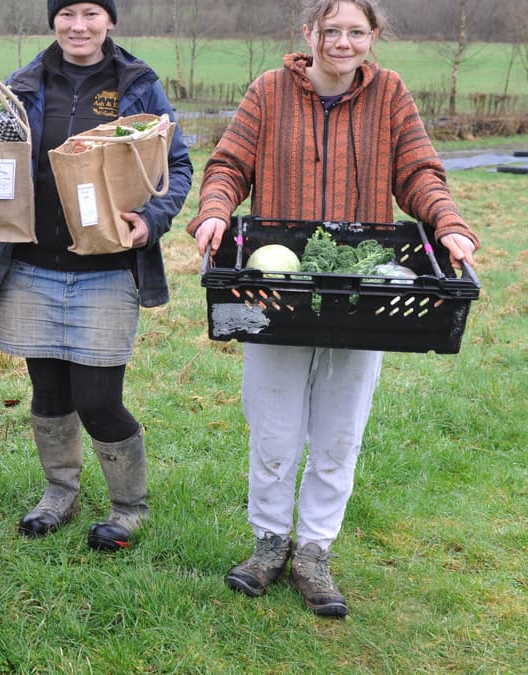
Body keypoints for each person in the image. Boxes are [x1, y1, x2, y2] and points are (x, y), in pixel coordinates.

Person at [189, 0, 478, 617]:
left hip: (360, 293)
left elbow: (419, 173)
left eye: (355, 31)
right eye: (331, 30)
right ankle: (269, 544)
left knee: (339, 432)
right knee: (273, 428)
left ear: (372, 37)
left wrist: (447, 224)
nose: (341, 43)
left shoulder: (391, 94)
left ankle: (315, 551)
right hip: (277, 289)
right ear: (309, 33)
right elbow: (229, 164)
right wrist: (215, 210)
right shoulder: (268, 91)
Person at [0, 0, 193, 553]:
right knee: (49, 392)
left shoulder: (137, 85)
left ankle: (128, 508)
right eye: (67, 13)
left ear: (109, 20)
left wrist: (151, 221)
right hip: (34, 265)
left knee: (97, 398)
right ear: (53, 21)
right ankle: (59, 494)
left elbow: (177, 165)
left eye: (91, 13)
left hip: (107, 269)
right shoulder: (24, 84)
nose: (79, 26)